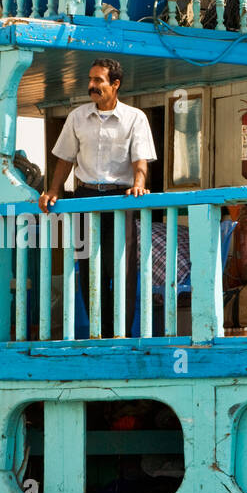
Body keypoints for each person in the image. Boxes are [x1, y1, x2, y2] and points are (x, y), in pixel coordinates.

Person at [39, 58, 156, 337]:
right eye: (90, 80)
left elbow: (141, 162)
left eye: (98, 81)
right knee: (89, 269)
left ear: (115, 84)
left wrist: (138, 185)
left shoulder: (135, 118)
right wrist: (53, 190)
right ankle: (97, 332)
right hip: (85, 198)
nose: (92, 86)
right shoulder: (77, 117)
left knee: (122, 270)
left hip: (120, 199)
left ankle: (122, 334)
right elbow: (65, 160)